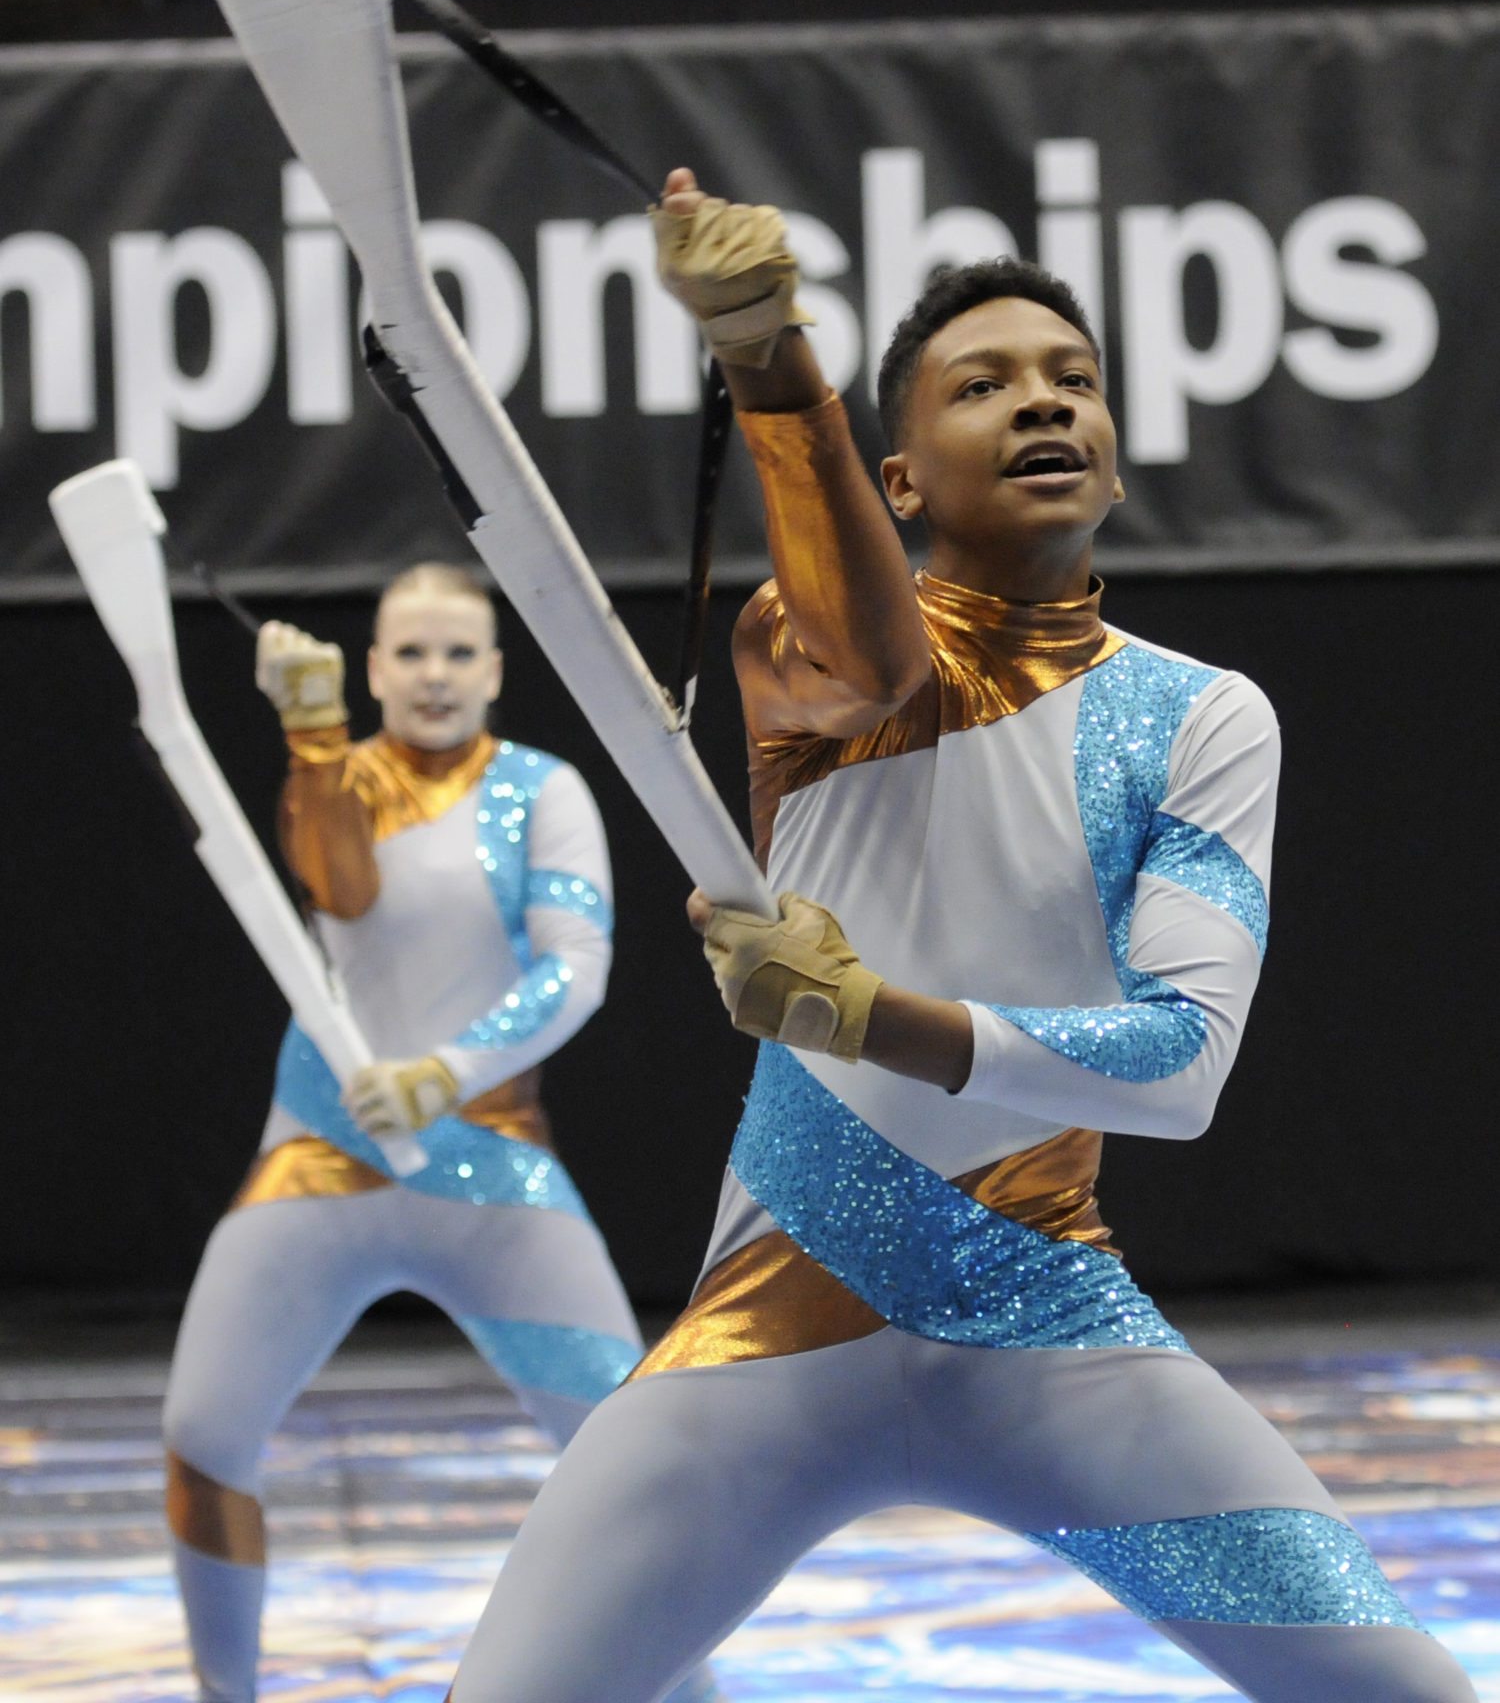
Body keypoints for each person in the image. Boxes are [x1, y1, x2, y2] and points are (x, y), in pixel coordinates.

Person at [444, 175, 1477, 1702]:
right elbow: (880, 642)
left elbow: (1181, 1067)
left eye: (1075, 381)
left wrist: (870, 1015)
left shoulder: (1204, 716)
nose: (1044, 405)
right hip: (765, 1347)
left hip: (1056, 1327)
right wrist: (769, 359)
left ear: (1118, 451)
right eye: (981, 387)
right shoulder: (802, 654)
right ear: (900, 477)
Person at [160, 562, 716, 1703]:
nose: (433, 675)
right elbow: (336, 888)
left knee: (628, 1469)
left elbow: (577, 970)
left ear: (497, 671)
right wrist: (310, 734)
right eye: (409, 652)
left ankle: (693, 1693)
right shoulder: (341, 775)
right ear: (371, 670)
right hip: (318, 1163)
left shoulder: (544, 788)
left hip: (494, 1177)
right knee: (204, 1436)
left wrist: (444, 1076)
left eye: (458, 652)